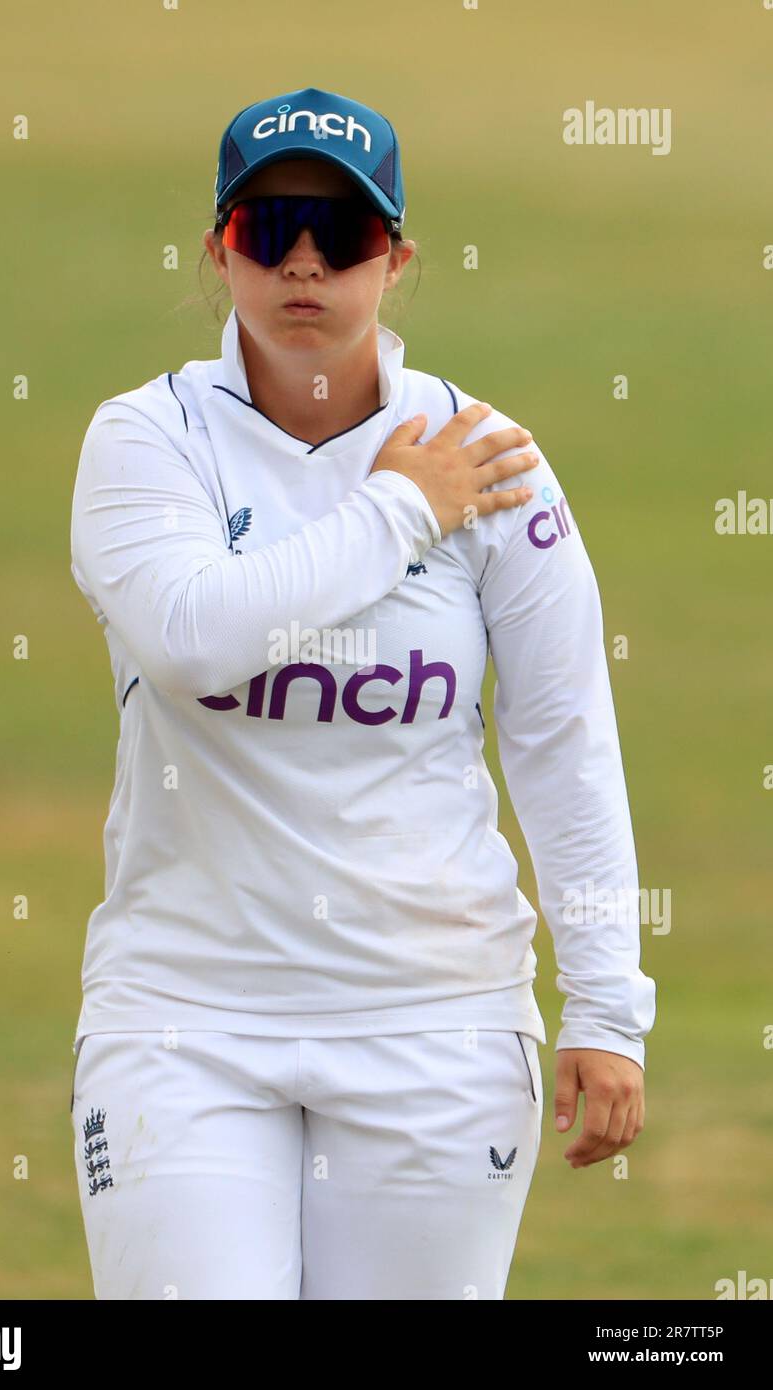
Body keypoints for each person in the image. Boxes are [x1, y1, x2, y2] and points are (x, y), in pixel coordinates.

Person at [67, 86, 656, 1301]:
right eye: (269, 224)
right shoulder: (147, 439)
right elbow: (192, 639)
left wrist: (607, 1002)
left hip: (433, 1022)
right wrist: (399, 511)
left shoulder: (493, 464)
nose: (303, 263)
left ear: (396, 258)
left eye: (341, 235)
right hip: (186, 1016)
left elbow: (561, 737)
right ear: (217, 248)